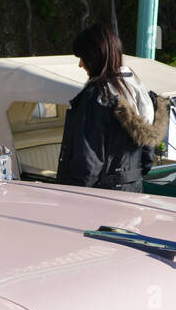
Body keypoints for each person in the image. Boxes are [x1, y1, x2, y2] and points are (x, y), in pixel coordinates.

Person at [55, 23, 169, 191]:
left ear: (95, 56)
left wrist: (69, 197)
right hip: (133, 187)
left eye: (83, 58)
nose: (81, 65)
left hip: (102, 197)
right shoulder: (137, 90)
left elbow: (88, 163)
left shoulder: (98, 97)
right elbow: (146, 159)